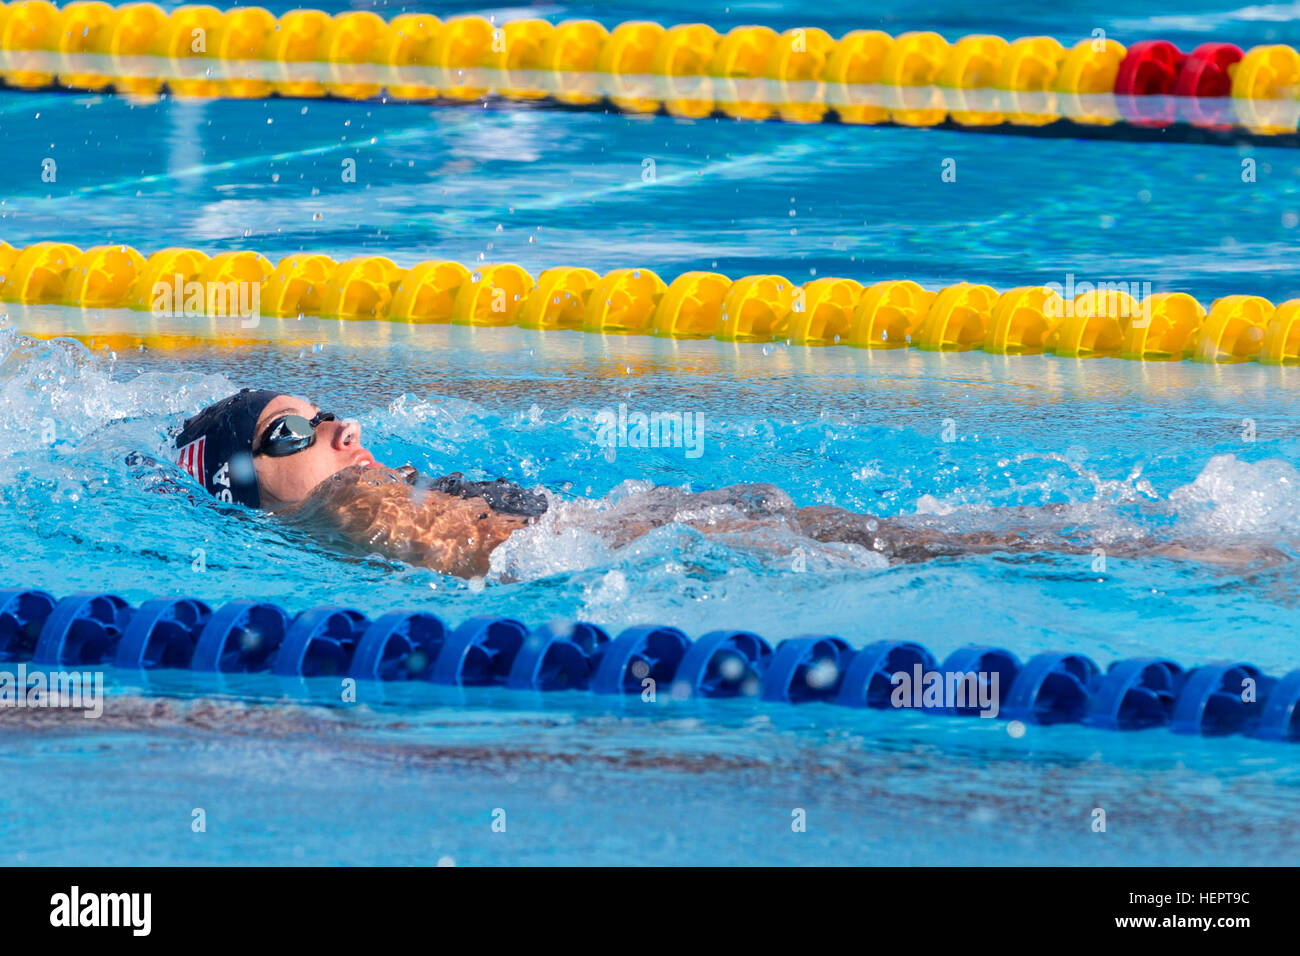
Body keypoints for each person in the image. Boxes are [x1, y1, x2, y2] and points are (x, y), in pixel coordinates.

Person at [173, 389, 1284, 579]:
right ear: (246, 482)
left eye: (324, 410)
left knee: (905, 540)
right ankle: (1176, 535)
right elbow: (476, 550)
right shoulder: (337, 504)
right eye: (292, 429)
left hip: (638, 536)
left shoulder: (343, 496)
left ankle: (1178, 543)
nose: (339, 427)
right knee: (909, 537)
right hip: (634, 538)